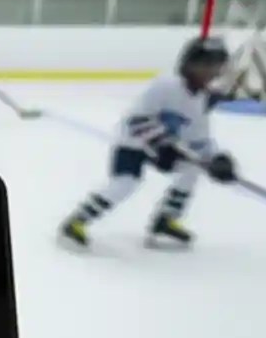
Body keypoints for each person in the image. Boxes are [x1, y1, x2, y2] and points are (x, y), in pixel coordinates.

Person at [59, 36, 238, 248]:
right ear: (189, 63)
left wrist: (216, 159)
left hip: (165, 149)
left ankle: (166, 219)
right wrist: (161, 144)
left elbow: (199, 140)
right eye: (206, 65)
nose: (211, 72)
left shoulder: (201, 99)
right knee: (125, 183)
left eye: (216, 67)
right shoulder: (166, 86)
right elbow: (137, 120)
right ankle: (76, 222)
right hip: (132, 144)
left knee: (192, 168)